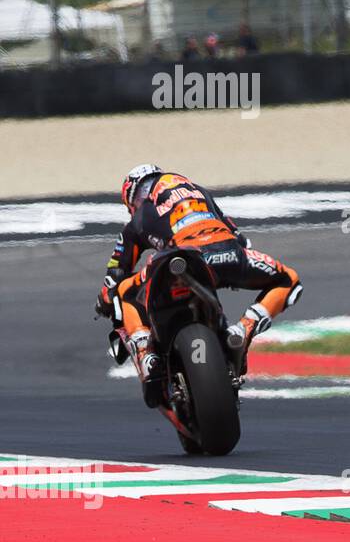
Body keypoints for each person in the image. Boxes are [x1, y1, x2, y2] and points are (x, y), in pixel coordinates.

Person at [96, 165, 303, 407]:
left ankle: (146, 353)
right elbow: (241, 239)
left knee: (123, 294)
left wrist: (104, 301)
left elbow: (114, 276)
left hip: (179, 262)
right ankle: (243, 330)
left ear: (134, 199)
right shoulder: (202, 194)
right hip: (228, 253)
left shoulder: (140, 217)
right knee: (288, 279)